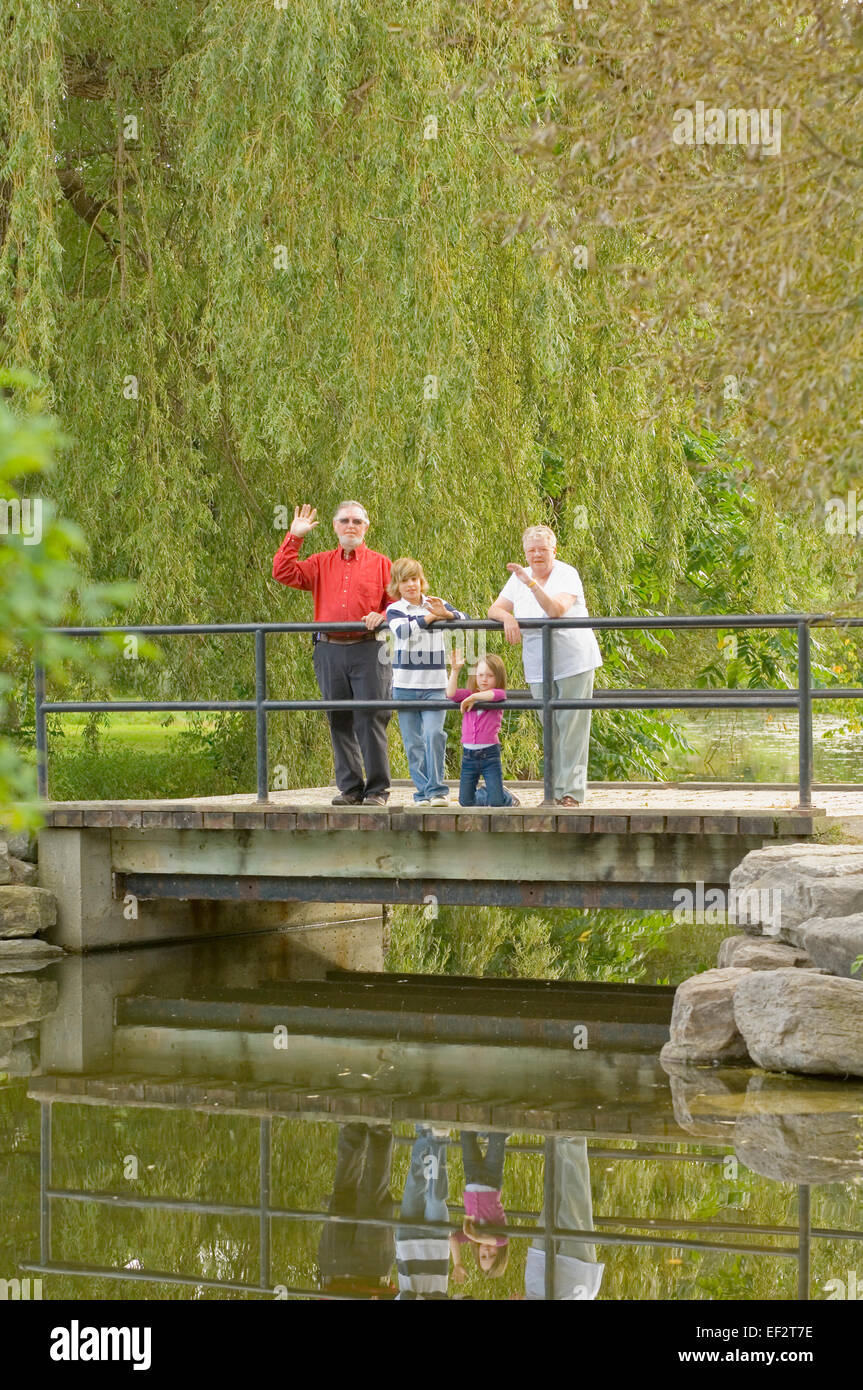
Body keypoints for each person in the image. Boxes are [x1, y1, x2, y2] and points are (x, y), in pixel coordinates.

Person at [272, 501, 392, 805]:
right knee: (338, 719)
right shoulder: (319, 562)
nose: (350, 525)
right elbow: (283, 572)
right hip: (329, 649)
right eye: (344, 520)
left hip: (370, 648)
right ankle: (350, 789)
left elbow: (397, 602)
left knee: (371, 718)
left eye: (357, 521)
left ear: (366, 526)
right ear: (335, 526)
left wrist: (384, 614)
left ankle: (377, 790)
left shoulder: (381, 563)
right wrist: (294, 536)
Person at [488, 525, 602, 807]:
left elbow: (555, 610)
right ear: (525, 552)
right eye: (531, 550)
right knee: (549, 726)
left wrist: (530, 584)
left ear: (554, 550)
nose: (537, 554)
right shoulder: (519, 578)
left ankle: (571, 794)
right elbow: (494, 608)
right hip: (539, 662)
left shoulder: (566, 573)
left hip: (573, 660)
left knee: (571, 726)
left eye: (542, 549)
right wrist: (508, 618)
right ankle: (552, 791)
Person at [385, 558, 466, 807]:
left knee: (434, 734)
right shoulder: (394, 609)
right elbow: (402, 631)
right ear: (397, 585)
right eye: (404, 580)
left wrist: (446, 614)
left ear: (421, 581)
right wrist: (430, 619)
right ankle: (422, 793)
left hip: (434, 686)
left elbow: (465, 618)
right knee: (413, 743)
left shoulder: (435, 603)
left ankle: (437, 791)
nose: (411, 585)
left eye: (414, 579)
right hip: (405, 687)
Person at [317, 1122, 397, 1299]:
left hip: (356, 1270)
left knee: (368, 1196)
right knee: (356, 1193)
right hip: (342, 1269)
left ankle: (374, 1127)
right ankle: (357, 1127)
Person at [524, 1137, 605, 1300]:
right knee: (574, 1201)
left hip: (539, 1283)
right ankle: (571, 1136)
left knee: (554, 1199)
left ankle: (558, 1137)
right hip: (573, 1286)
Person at [446, 651, 519, 807]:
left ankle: (505, 797)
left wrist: (474, 698)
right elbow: (451, 693)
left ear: (498, 678)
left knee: (497, 803)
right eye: (480, 675)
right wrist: (455, 671)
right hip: (469, 756)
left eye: (490, 675)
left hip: (490, 755)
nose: (484, 679)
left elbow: (496, 694)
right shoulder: (469, 693)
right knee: (465, 802)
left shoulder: (497, 695)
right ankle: (489, 791)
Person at [395, 1126, 452, 1299]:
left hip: (407, 1243)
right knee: (436, 1197)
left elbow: (406, 1296)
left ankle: (423, 1133)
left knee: (416, 1179)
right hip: (437, 1244)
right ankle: (438, 1140)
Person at [450, 1130, 510, 1283]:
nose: (487, 1251)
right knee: (497, 1135)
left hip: (472, 1177)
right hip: (492, 1178)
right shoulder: (501, 1238)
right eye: (492, 1255)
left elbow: (452, 1238)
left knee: (466, 1134)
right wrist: (474, 1236)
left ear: (477, 1254)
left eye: (483, 1256)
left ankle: (482, 1132)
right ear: (500, 1252)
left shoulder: (470, 1236)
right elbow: (500, 1241)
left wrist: (457, 1263)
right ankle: (499, 1134)